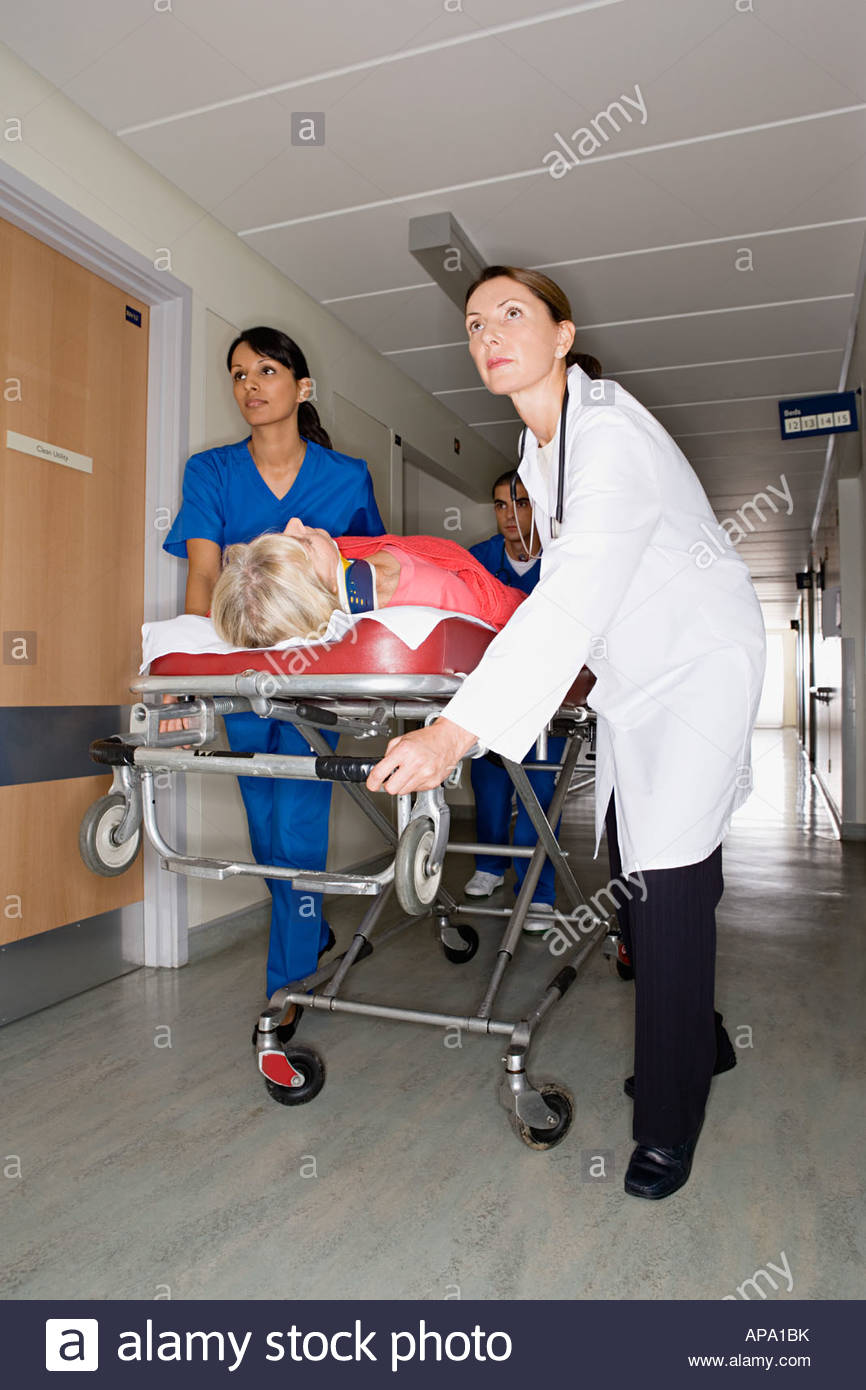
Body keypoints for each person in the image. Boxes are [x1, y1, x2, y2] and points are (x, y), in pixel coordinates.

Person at [366, 265, 766, 1201]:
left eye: (512, 314)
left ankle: (670, 1122)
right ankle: (700, 1035)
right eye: (473, 324)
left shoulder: (610, 434)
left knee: (661, 885)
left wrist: (454, 732)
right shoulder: (538, 449)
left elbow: (574, 593)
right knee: (646, 855)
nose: (488, 334)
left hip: (698, 667)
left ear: (561, 333)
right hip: (642, 673)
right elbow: (571, 600)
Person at [162, 326, 383, 1041]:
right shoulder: (212, 472)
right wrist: (198, 673)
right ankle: (311, 934)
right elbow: (202, 576)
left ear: (301, 387)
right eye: (237, 374)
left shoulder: (346, 477)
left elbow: (367, 574)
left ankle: (286, 989)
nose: (249, 385)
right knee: (265, 831)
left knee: (299, 825)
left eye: (266, 370)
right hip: (242, 672)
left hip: (317, 677)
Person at [463, 469, 566, 931]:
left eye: (521, 503)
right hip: (488, 694)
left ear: (539, 507)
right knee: (489, 789)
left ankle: (538, 893)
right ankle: (490, 866)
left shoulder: (564, 561)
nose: (510, 515)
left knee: (538, 796)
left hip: (547, 697)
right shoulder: (478, 560)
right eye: (501, 505)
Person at [210, 521, 525, 646]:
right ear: (320, 593)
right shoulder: (425, 603)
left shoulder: (343, 558)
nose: (296, 522)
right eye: (303, 542)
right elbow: (506, 617)